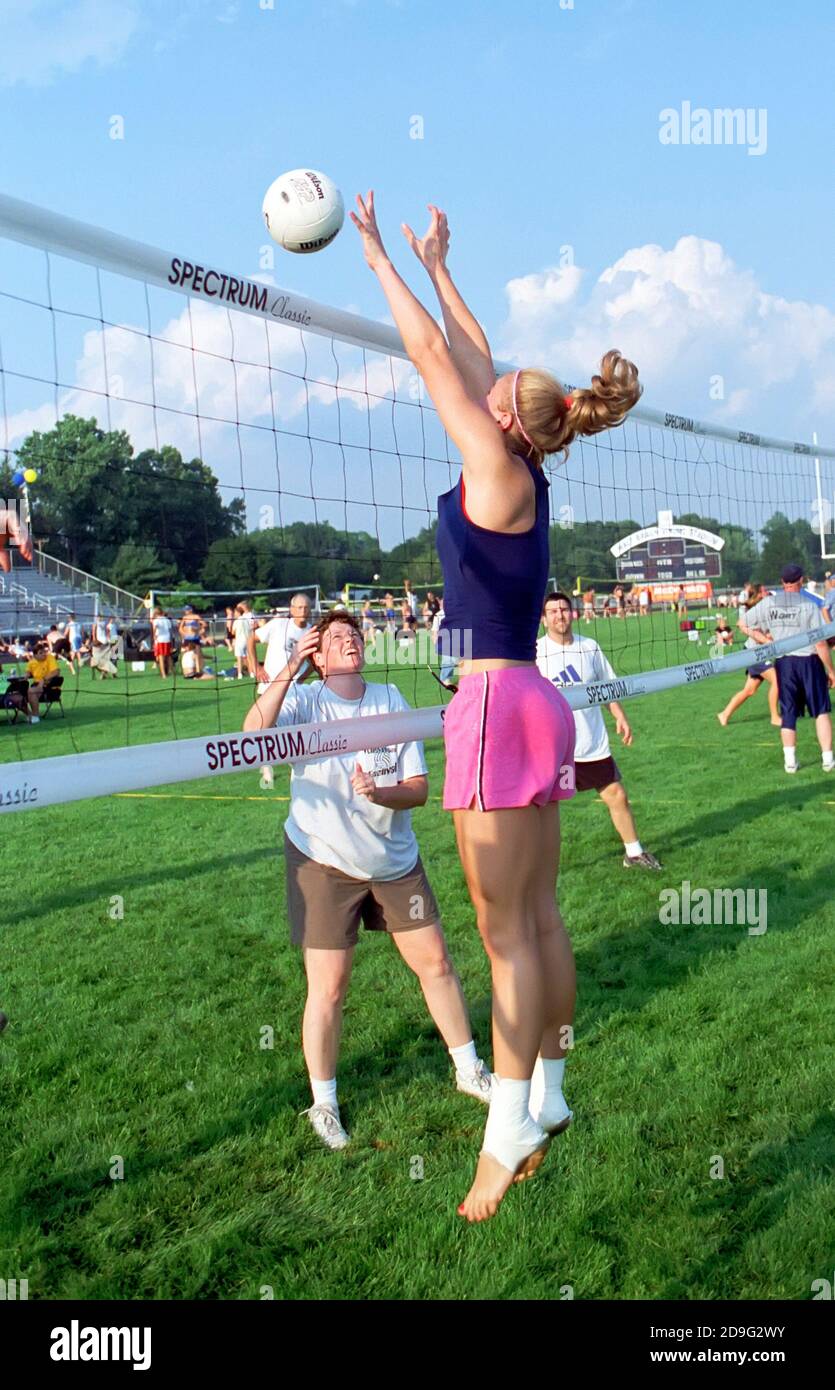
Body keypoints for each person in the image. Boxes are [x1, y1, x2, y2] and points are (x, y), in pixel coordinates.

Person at [352, 191, 642, 1221]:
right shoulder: (519, 460)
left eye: (497, 390)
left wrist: (379, 255)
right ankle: (549, 1093)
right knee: (538, 919)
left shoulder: (492, 468)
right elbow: (470, 354)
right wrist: (439, 262)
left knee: (505, 934)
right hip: (528, 697)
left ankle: (507, 1118)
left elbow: (437, 360)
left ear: (508, 418)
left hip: (490, 707)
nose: (484, 384)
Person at [243, 610, 492, 1149]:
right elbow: (252, 734)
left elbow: (421, 788)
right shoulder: (306, 702)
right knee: (329, 987)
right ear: (320, 655)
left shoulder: (391, 700)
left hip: (393, 859)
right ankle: (324, 1104)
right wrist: (290, 666)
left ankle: (469, 1071)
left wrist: (381, 795)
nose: (349, 641)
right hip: (323, 859)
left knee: (438, 964)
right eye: (336, 637)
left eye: (354, 635)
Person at [537, 593, 662, 870]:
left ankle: (634, 853)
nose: (560, 615)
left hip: (590, 743)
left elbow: (606, 687)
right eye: (553, 611)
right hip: (556, 750)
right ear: (544, 619)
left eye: (564, 609)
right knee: (546, 809)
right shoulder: (535, 652)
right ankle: (537, 868)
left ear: (573, 613)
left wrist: (620, 716)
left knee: (617, 795)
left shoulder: (589, 647)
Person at [738, 563, 835, 773]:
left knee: (788, 713)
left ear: (782, 582)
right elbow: (820, 643)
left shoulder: (768, 603)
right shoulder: (808, 605)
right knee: (820, 711)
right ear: (801, 581)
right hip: (809, 661)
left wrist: (764, 641)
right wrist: (832, 671)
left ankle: (790, 762)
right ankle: (828, 760)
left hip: (784, 663)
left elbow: (742, 624)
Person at [247, 593, 314, 788]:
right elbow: (252, 639)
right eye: (299, 608)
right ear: (291, 609)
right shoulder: (278, 625)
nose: (303, 611)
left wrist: (301, 678)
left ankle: (300, 766)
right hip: (270, 687)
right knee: (262, 730)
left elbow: (314, 662)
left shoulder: (311, 633)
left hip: (295, 692)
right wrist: (256, 667)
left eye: (306, 608)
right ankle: (266, 767)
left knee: (296, 730)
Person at [24, 641, 60, 721]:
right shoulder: (32, 662)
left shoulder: (50, 658)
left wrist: (43, 680)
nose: (44, 654)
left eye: (44, 652)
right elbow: (28, 671)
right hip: (36, 685)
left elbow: (56, 671)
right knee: (20, 694)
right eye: (41, 653)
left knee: (31, 691)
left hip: (50, 686)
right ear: (35, 655)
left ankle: (35, 716)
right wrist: (26, 675)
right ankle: (30, 714)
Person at [151, 607, 173, 679]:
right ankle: (171, 671)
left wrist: (154, 636)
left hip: (160, 640)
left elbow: (155, 628)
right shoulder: (167, 620)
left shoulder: (156, 620)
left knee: (161, 657)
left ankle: (163, 674)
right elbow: (170, 630)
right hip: (167, 639)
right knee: (168, 656)